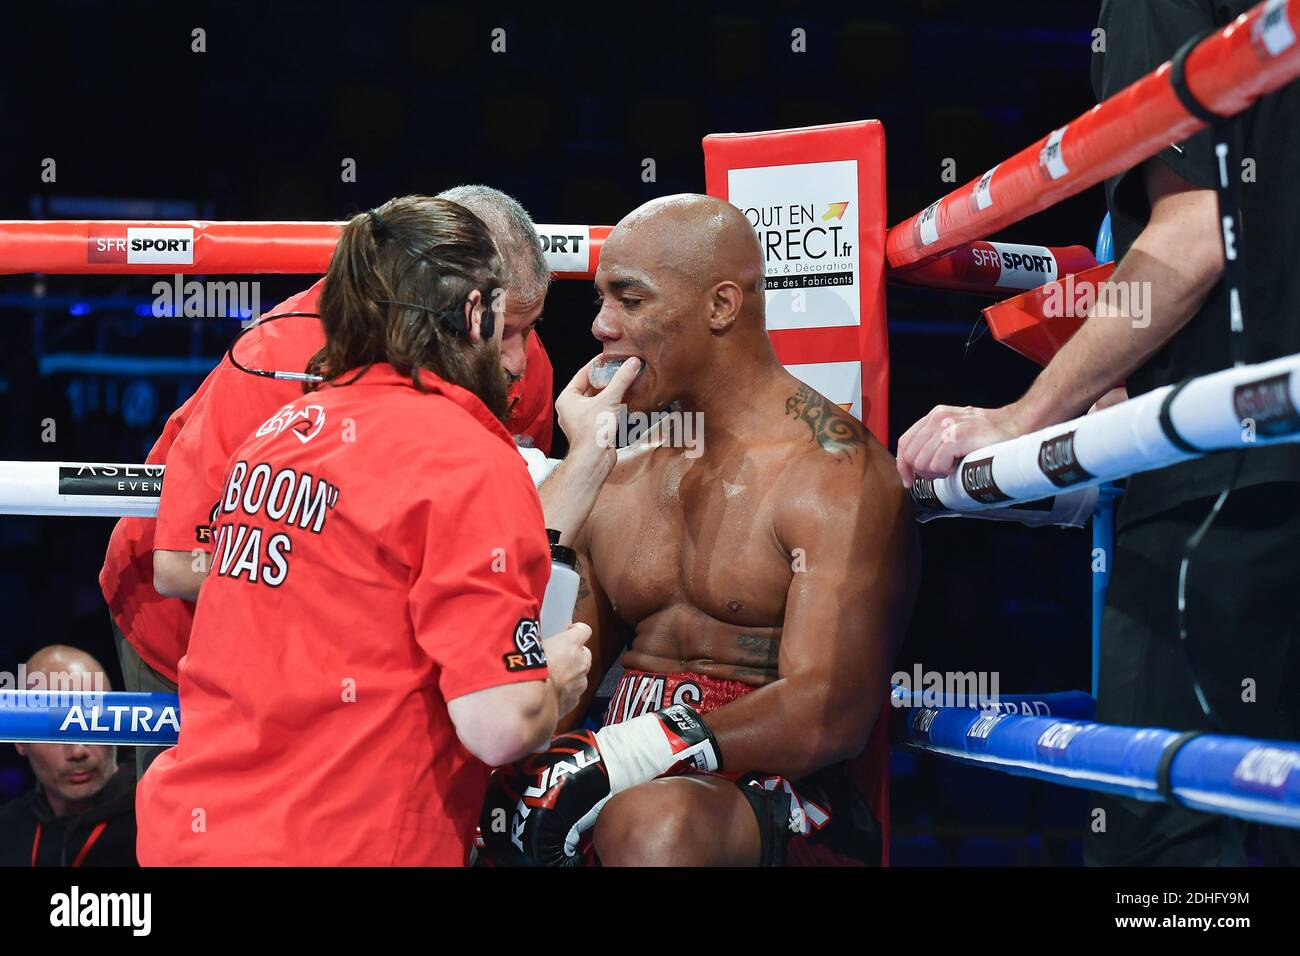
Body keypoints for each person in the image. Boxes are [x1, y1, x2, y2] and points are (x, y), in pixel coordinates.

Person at [895, 1, 1300, 865]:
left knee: (1174, 849)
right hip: (1254, 441)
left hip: (1229, 475)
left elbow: (1193, 240)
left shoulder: (1159, 3)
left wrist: (1019, 421)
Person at [134, 195, 590, 865]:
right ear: (473, 312)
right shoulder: (464, 457)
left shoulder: (280, 433)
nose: (519, 359)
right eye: (507, 323)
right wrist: (552, 680)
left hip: (193, 834)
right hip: (346, 842)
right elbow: (499, 725)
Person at [479, 194, 918, 867]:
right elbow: (553, 687)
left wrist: (629, 755)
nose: (600, 326)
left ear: (720, 307)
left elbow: (830, 714)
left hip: (778, 797)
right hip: (617, 779)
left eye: (630, 299)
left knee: (655, 826)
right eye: (601, 300)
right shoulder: (620, 474)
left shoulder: (836, 473)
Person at [0, 646, 138, 866]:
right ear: (21, 740)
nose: (77, 752)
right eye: (56, 731)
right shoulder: (8, 830)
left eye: (93, 723)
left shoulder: (157, 814)